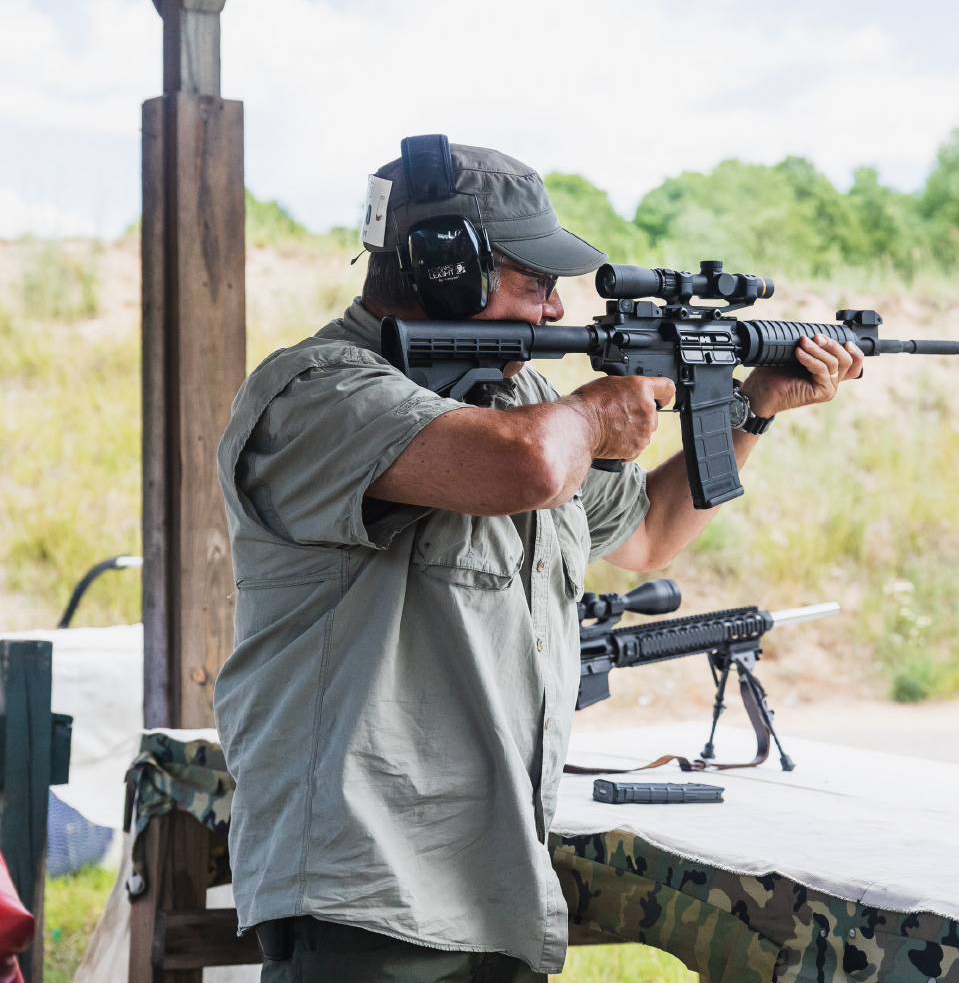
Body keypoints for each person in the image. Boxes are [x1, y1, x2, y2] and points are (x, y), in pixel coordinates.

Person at [214, 141, 862, 982]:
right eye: (538, 284)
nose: (557, 312)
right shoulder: (318, 393)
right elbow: (529, 466)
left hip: (495, 883)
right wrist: (594, 414)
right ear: (450, 272)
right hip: (366, 896)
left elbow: (647, 536)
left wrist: (753, 406)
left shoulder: (515, 399)